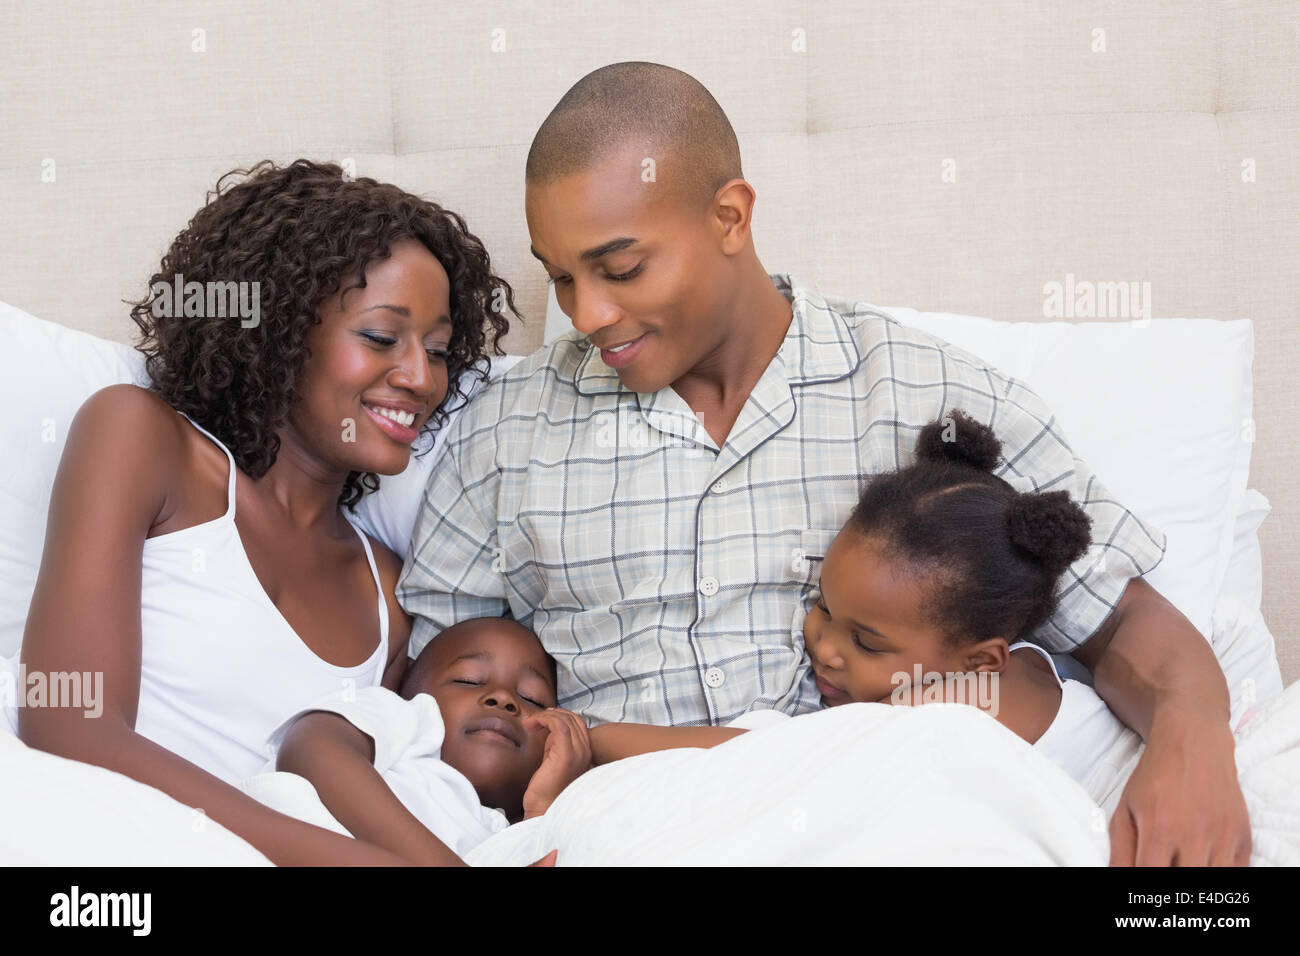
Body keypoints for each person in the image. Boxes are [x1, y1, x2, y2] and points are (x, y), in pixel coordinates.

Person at [397, 62, 1251, 865]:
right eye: (561, 279)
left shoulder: (927, 393)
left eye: (620, 268)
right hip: (631, 832)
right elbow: (432, 707)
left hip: (887, 830)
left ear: (730, 216)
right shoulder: (504, 435)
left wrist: (1193, 742)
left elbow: (1119, 617)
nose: (588, 313)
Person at [18, 159, 519, 866]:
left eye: (438, 352)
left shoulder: (389, 596)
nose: (420, 378)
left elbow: (400, 784)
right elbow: (69, 725)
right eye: (382, 338)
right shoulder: (143, 442)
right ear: (278, 332)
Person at [586, 410, 1146, 825]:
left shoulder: (958, 704)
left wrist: (590, 736)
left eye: (868, 644)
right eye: (824, 608)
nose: (826, 649)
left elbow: (763, 760)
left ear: (977, 659)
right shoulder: (1015, 670)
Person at [251, 617, 589, 866]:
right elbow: (312, 751)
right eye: (468, 680)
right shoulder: (407, 719)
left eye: (533, 699)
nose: (503, 698)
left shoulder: (510, 828)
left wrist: (541, 808)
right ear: (406, 690)